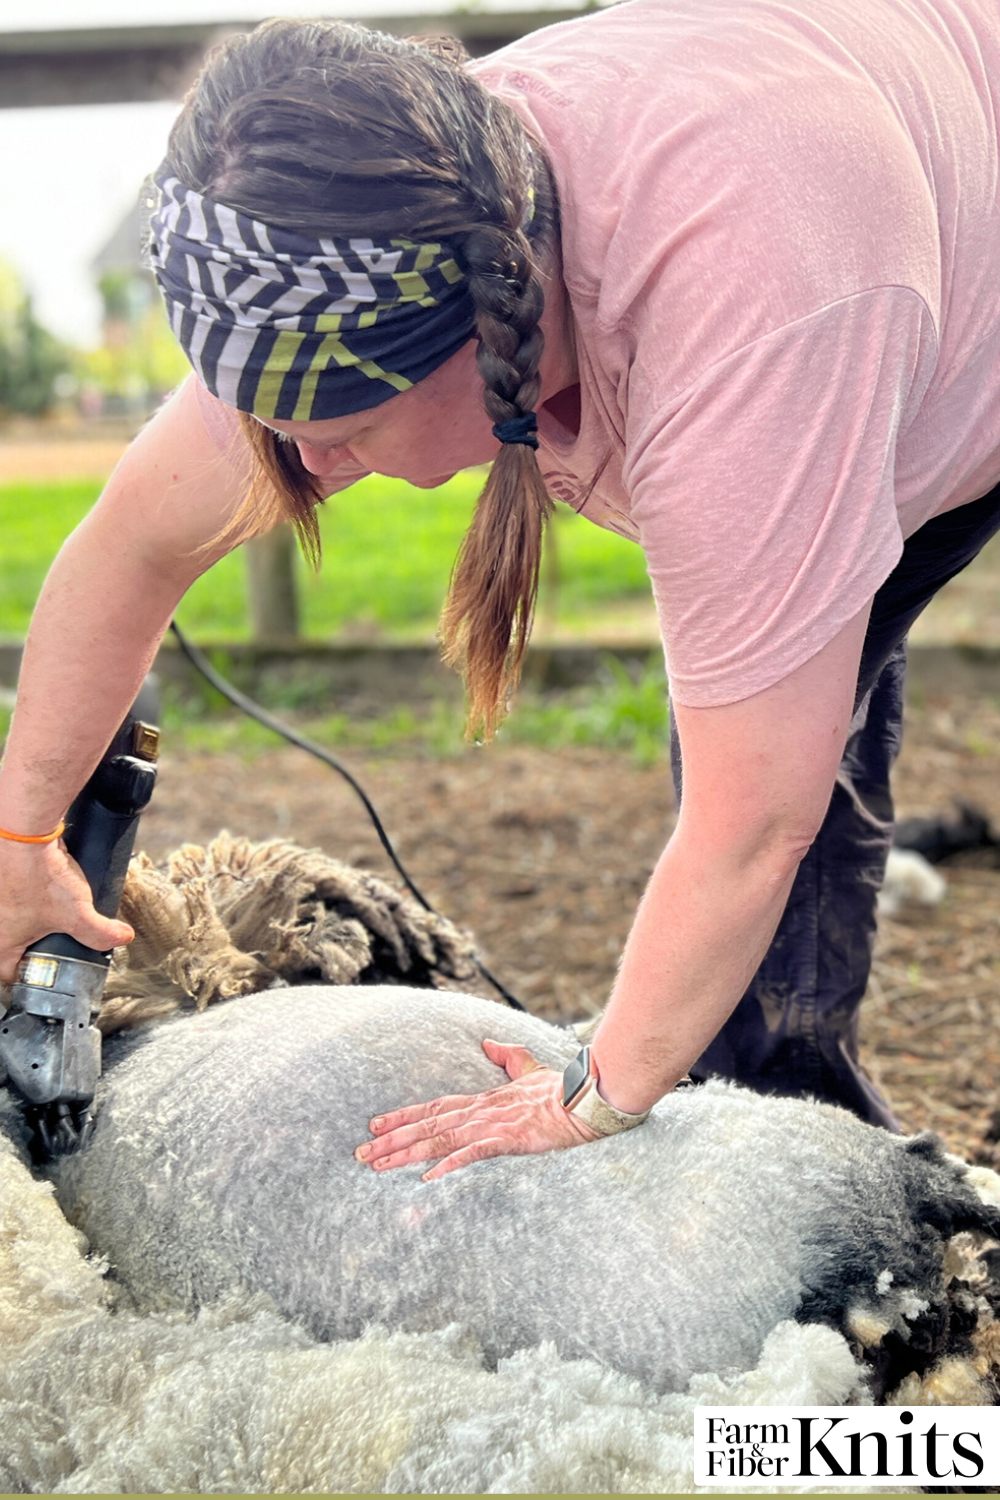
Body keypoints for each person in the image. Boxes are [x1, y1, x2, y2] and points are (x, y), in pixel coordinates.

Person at [1, 0, 998, 1180]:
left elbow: (752, 824)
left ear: (491, 335)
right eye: (273, 432)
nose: (310, 468)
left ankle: (780, 1135)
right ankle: (755, 1075)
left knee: (760, 758)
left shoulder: (747, 330)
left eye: (346, 432)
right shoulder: (329, 257)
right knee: (771, 718)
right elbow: (127, 551)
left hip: (912, 255)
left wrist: (594, 1098)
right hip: (842, 173)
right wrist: (23, 833)